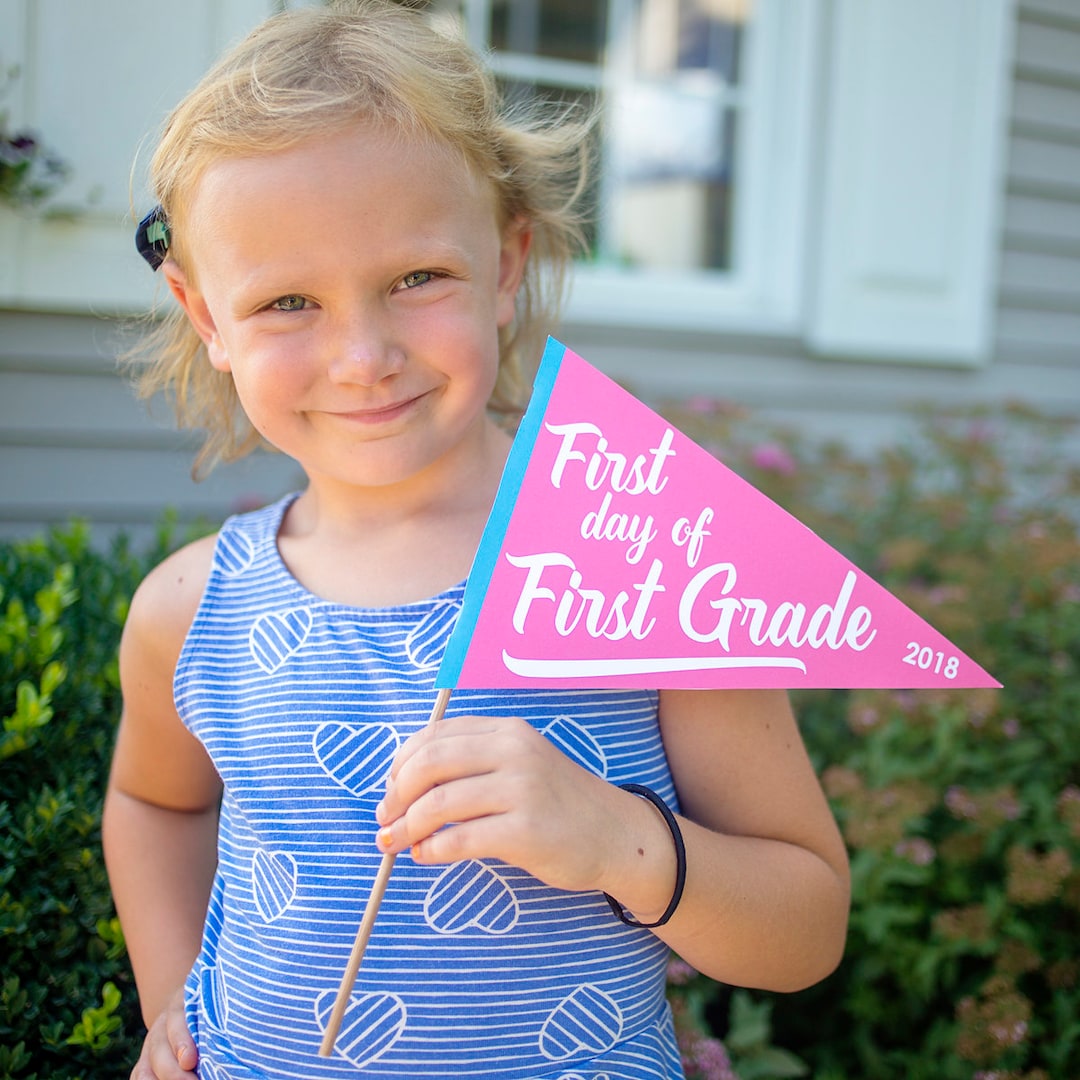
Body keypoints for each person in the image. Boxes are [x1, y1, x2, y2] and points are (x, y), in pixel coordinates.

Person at [102, 3, 850, 1078]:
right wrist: (171, 996)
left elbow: (807, 927)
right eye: (287, 301)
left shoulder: (634, 567)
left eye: (416, 279)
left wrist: (615, 841)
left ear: (507, 263)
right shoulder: (190, 610)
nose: (363, 355)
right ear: (205, 313)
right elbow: (153, 802)